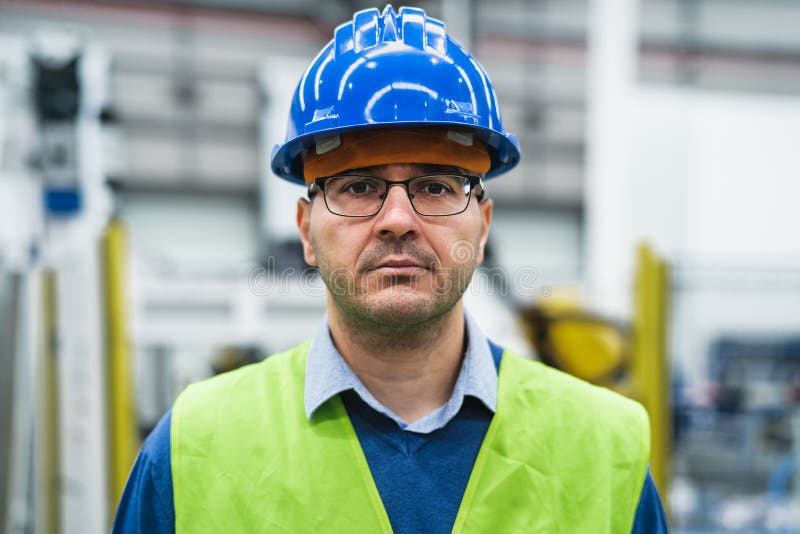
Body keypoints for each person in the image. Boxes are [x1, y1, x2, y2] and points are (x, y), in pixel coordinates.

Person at [114, 5, 668, 533]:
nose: (397, 219)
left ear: (483, 229)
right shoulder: (193, 447)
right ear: (306, 230)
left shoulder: (604, 448)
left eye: (435, 186)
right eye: (357, 187)